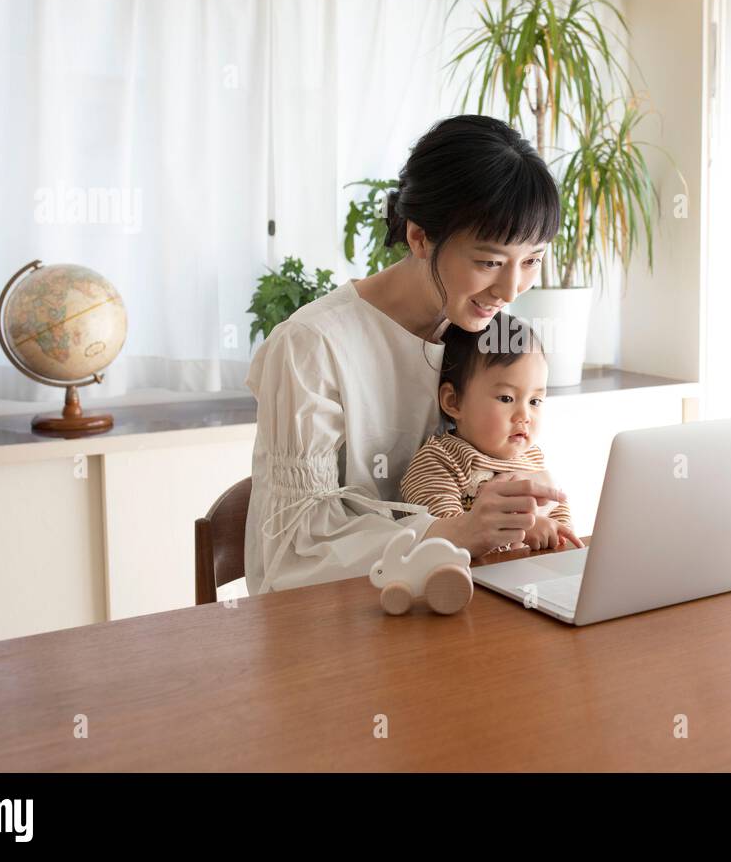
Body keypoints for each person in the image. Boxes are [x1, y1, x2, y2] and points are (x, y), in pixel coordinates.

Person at [243, 114, 568, 595]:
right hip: (334, 626)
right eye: (489, 262)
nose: (511, 289)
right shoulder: (312, 346)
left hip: (456, 608)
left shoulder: (484, 337)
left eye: (532, 261)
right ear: (419, 237)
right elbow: (294, 551)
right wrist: (457, 532)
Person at [399, 310, 584, 554]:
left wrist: (556, 530)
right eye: (506, 398)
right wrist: (522, 528)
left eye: (535, 401)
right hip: (466, 584)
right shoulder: (439, 461)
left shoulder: (531, 458)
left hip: (521, 576)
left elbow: (558, 512)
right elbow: (442, 536)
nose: (525, 416)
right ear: (453, 401)